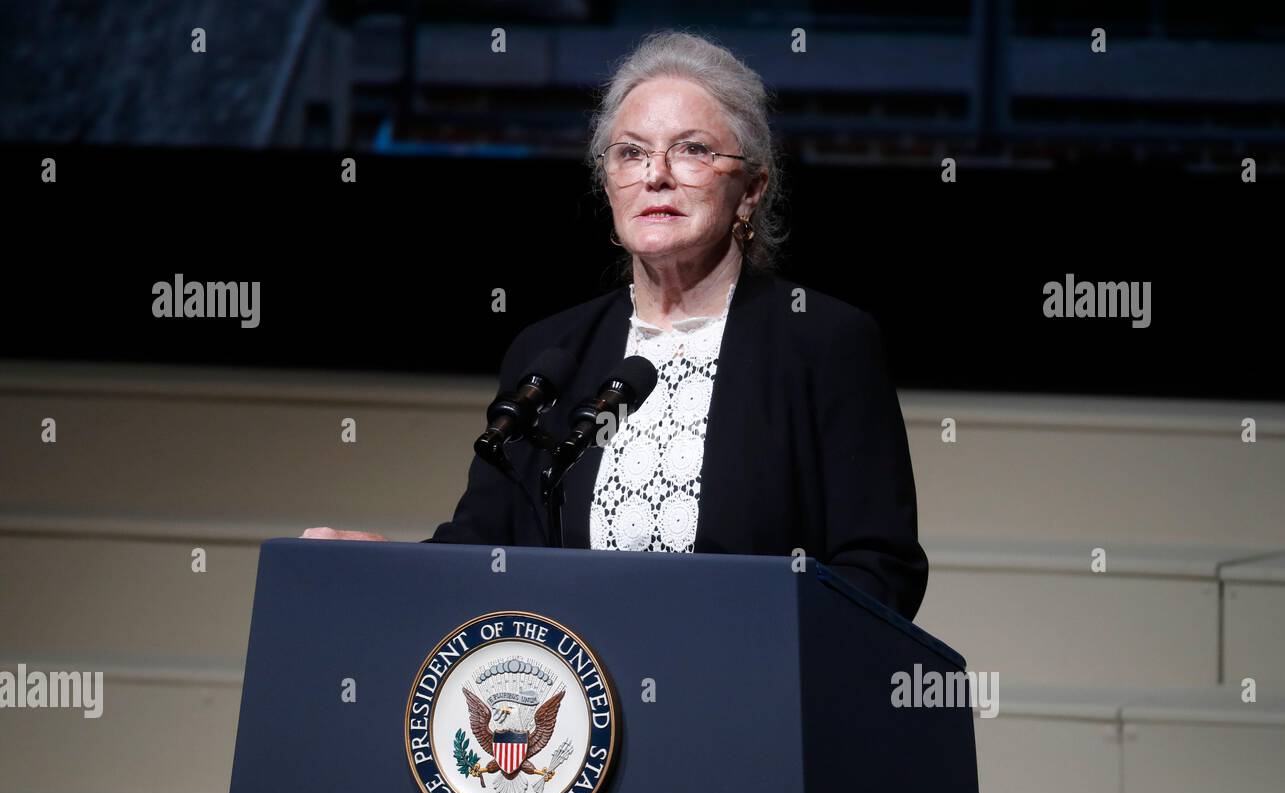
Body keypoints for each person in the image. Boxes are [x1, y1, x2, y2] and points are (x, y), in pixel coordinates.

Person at [303, 30, 928, 620]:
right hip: (582, 714)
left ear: (751, 189)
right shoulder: (552, 352)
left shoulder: (823, 342)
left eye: (692, 150)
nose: (656, 173)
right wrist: (379, 562)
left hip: (749, 707)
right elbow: (485, 545)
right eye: (631, 153)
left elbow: (880, 568)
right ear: (609, 182)